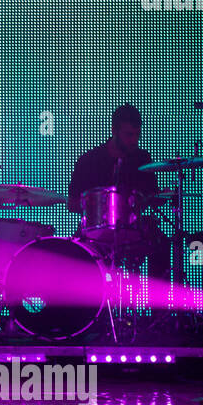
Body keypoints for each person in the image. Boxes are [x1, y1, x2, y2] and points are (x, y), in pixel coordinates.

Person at [67, 104, 169, 286]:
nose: (134, 140)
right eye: (129, 135)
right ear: (114, 130)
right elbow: (72, 204)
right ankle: (89, 308)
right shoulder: (89, 161)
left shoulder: (142, 159)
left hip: (133, 229)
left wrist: (156, 197)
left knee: (162, 243)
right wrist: (91, 205)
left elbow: (152, 196)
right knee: (73, 253)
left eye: (137, 135)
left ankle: (159, 311)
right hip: (95, 231)